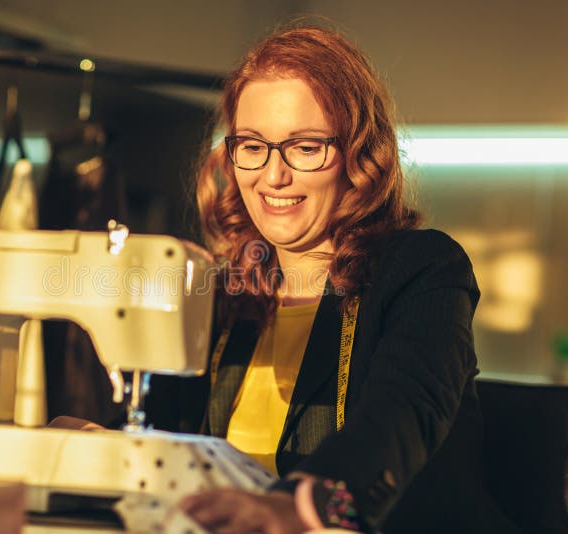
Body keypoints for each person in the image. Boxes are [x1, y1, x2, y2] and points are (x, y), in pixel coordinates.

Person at [175, 25, 520, 533]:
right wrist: (101, 448)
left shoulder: (423, 269)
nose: (273, 176)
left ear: (358, 153)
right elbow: (166, 434)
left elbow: (401, 413)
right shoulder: (229, 293)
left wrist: (304, 507)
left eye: (306, 147)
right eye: (252, 145)